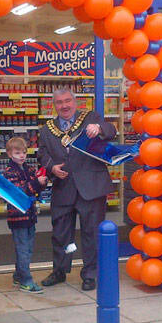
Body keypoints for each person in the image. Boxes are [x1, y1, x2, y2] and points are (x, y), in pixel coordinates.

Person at [38, 88, 117, 291]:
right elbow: (42, 155)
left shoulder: (90, 117)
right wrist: (51, 167)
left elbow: (111, 130)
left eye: (67, 101)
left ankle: (90, 274)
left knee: (91, 233)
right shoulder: (47, 129)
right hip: (63, 188)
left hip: (91, 187)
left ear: (75, 102)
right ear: (53, 105)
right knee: (61, 234)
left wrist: (98, 128)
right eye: (59, 102)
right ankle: (59, 271)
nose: (64, 106)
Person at [4, 136, 48, 293]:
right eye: (17, 153)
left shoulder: (29, 169)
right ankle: (26, 281)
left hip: (30, 215)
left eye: (23, 152)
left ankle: (18, 274)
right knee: (23, 249)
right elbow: (19, 192)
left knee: (27, 248)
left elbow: (34, 189)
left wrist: (42, 182)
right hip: (18, 217)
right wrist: (36, 183)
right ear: (9, 154)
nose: (21, 155)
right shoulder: (9, 172)